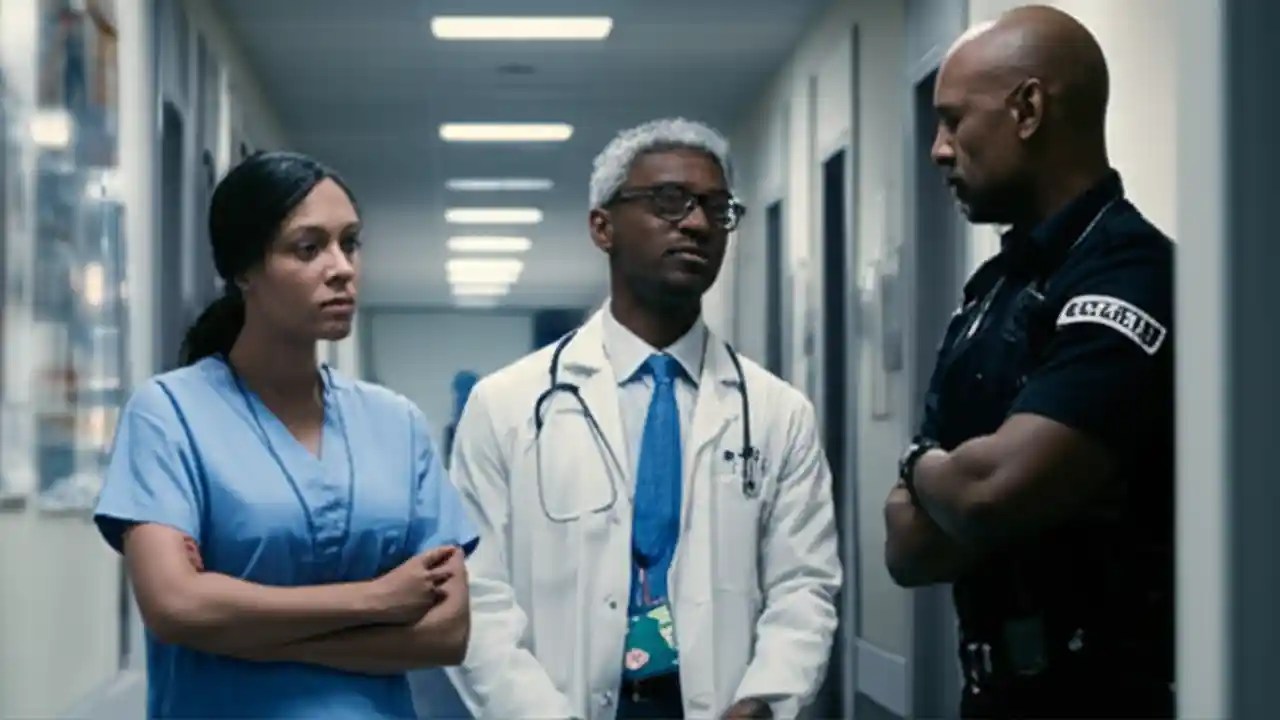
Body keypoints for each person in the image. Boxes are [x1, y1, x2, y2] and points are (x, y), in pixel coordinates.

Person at [443, 118, 842, 719]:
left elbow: (804, 586)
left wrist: (763, 701)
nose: (699, 224)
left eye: (716, 208)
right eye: (669, 201)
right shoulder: (508, 405)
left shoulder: (778, 413)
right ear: (602, 227)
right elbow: (477, 594)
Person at [93, 151, 479, 719]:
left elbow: (447, 632)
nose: (341, 266)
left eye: (350, 242)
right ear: (244, 269)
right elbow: (175, 606)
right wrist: (374, 600)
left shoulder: (395, 423)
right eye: (308, 247)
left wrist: (238, 629)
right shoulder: (170, 413)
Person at [884, 6, 1174, 718]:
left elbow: (988, 496)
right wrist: (961, 487)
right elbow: (906, 547)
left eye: (953, 121)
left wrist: (922, 467)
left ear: (1028, 109)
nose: (939, 151)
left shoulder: (1132, 275)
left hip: (1108, 699)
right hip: (992, 695)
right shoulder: (992, 294)